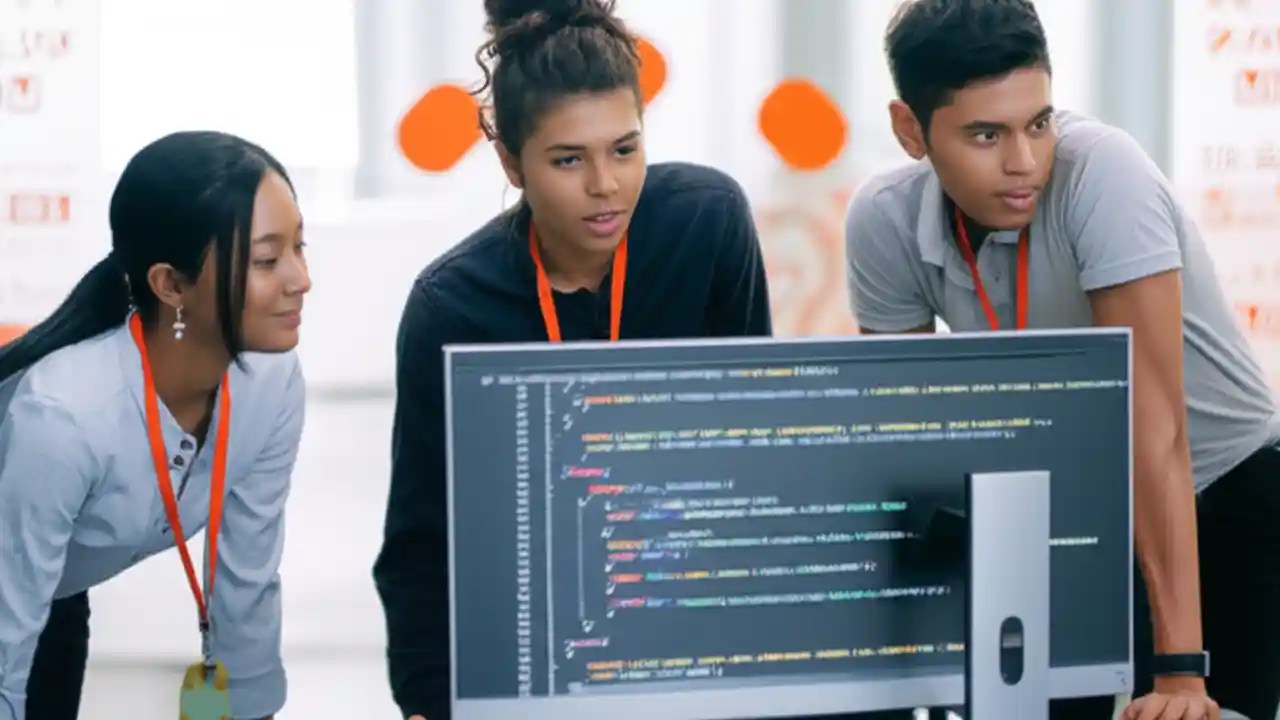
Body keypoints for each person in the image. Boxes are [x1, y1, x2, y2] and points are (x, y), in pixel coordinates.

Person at [844, 1, 1280, 719]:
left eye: (1038, 123)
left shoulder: (1103, 172)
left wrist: (1179, 675)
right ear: (910, 131)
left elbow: (1154, 429)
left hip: (1218, 490)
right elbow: (913, 438)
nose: (1024, 162)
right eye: (986, 134)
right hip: (1074, 502)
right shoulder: (883, 219)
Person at [371, 1, 772, 717]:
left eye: (625, 148)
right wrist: (427, 703)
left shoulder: (706, 224)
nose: (606, 185)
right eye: (567, 159)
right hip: (529, 633)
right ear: (510, 162)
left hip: (693, 618)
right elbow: (421, 542)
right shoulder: (452, 305)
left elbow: (751, 450)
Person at [0, 131, 312, 720]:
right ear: (171, 285)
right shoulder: (64, 416)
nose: (300, 279)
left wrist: (249, 710)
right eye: (268, 260)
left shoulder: (271, 385)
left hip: (54, 599)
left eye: (301, 247)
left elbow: (246, 583)